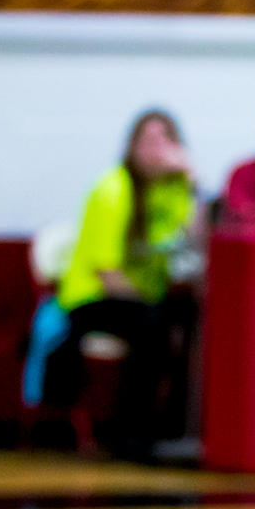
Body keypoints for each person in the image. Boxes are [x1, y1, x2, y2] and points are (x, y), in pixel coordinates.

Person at [46, 110, 199, 463]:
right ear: (131, 147)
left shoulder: (172, 191)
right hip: (91, 299)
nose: (155, 151)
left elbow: (197, 240)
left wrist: (192, 181)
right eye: (147, 142)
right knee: (152, 324)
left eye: (164, 142)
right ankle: (134, 435)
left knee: (192, 319)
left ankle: (180, 429)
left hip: (145, 299)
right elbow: (106, 272)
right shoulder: (112, 188)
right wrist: (150, 304)